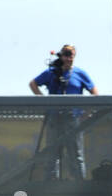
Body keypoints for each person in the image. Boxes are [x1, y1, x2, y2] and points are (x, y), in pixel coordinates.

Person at [29, 44, 98, 179]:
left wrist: (87, 112)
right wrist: (43, 100)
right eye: (65, 54)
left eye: (70, 54)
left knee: (76, 155)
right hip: (54, 118)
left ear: (74, 56)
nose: (68, 58)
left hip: (73, 118)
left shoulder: (80, 73)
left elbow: (95, 93)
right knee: (52, 154)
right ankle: (51, 186)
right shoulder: (52, 72)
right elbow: (33, 84)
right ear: (61, 56)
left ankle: (79, 187)